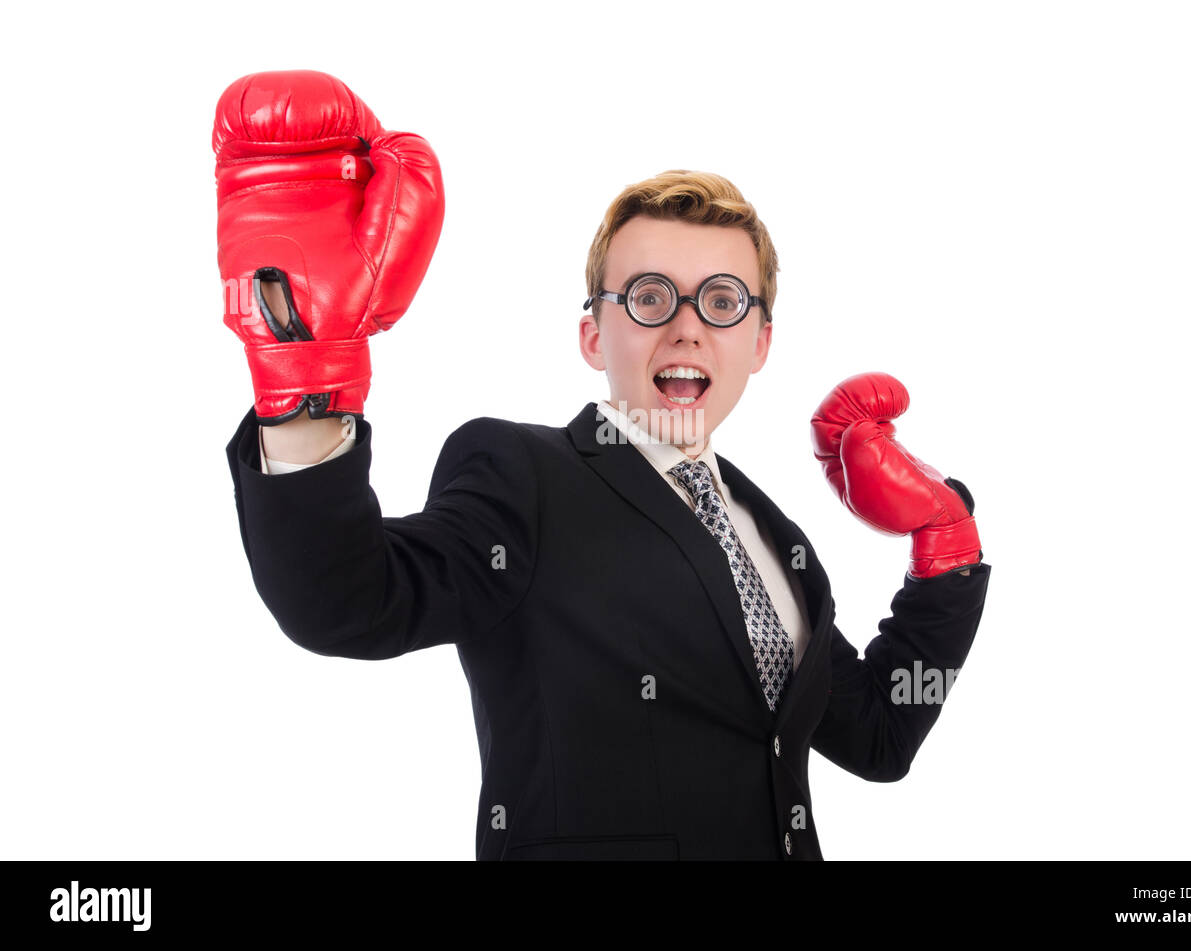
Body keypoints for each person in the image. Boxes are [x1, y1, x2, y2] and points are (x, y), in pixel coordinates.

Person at [217, 70, 992, 861]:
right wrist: (308, 383)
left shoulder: (773, 536)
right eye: (650, 297)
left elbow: (879, 735)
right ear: (594, 335)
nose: (688, 328)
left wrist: (946, 548)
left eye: (722, 301)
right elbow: (345, 599)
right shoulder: (521, 474)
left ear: (760, 343)